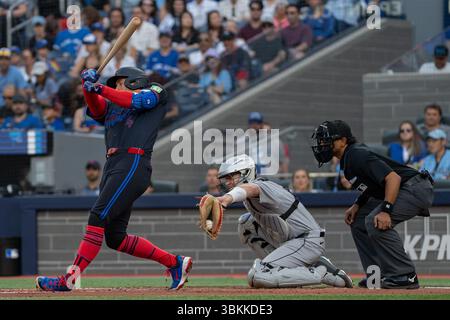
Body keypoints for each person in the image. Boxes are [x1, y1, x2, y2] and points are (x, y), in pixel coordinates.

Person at [36, 66, 193, 292]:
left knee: (97, 216)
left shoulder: (156, 91)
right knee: (115, 237)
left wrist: (99, 87)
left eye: (118, 83)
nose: (115, 88)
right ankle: (175, 263)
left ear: (133, 81)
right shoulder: (113, 106)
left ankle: (70, 278)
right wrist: (88, 88)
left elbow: (139, 102)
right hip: (113, 165)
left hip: (134, 162)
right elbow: (97, 109)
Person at [311, 120, 434, 289]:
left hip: (414, 187)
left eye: (327, 139)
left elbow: (393, 178)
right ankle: (378, 275)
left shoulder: (356, 155)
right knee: (359, 220)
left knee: (373, 221)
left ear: (343, 140)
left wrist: (386, 210)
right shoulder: (348, 158)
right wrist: (357, 204)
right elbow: (373, 186)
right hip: (405, 188)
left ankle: (405, 275)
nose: (322, 144)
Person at [215, 154, 353, 288]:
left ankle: (320, 271)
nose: (228, 182)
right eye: (225, 179)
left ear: (246, 173)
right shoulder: (250, 195)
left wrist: (226, 198)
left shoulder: (261, 185)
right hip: (290, 240)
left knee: (258, 276)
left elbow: (249, 189)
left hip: (307, 241)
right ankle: (288, 270)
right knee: (246, 223)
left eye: (231, 176)